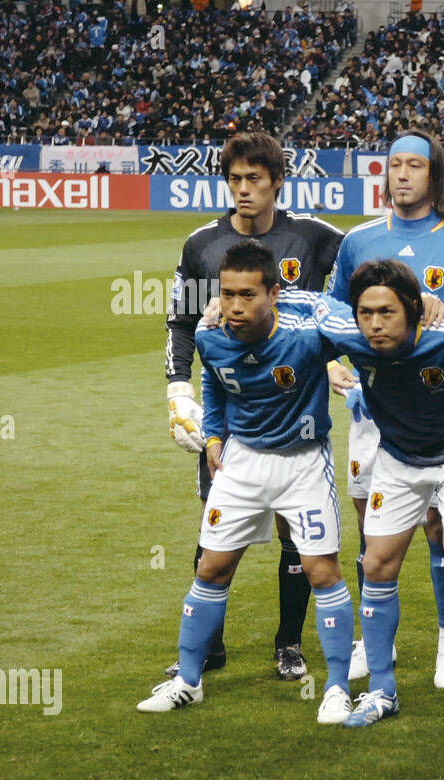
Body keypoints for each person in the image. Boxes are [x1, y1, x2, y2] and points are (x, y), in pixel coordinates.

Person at [139, 240, 355, 724]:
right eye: (228, 294)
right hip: (241, 463)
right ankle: (189, 682)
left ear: (273, 293)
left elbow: (362, 324)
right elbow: (214, 380)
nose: (236, 307)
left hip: (304, 463)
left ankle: (338, 688)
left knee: (323, 573)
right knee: (211, 568)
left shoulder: (308, 332)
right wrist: (214, 436)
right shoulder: (211, 333)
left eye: (248, 295)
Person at [327, 128, 444, 692]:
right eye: (394, 165)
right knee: (372, 535)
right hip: (373, 411)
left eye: (415, 166)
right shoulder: (357, 241)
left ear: (435, 176)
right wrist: (336, 367)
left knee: (441, 532)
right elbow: (334, 318)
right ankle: (374, 643)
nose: (402, 174)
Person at [164, 132, 343, 683]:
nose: (243, 190)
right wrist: (178, 389)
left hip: (298, 413)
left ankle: (289, 644)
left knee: (299, 536)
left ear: (277, 183)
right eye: (234, 180)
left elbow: (368, 261)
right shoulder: (202, 245)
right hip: (233, 410)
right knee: (213, 527)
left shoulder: (311, 236)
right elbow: (181, 319)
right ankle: (209, 648)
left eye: (254, 180)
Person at [313, 260, 444, 735]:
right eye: (366, 313)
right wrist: (215, 305)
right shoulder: (352, 333)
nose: (375, 324)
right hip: (397, 457)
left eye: (387, 312)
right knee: (376, 565)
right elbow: (299, 305)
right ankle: (382, 689)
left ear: (414, 310)